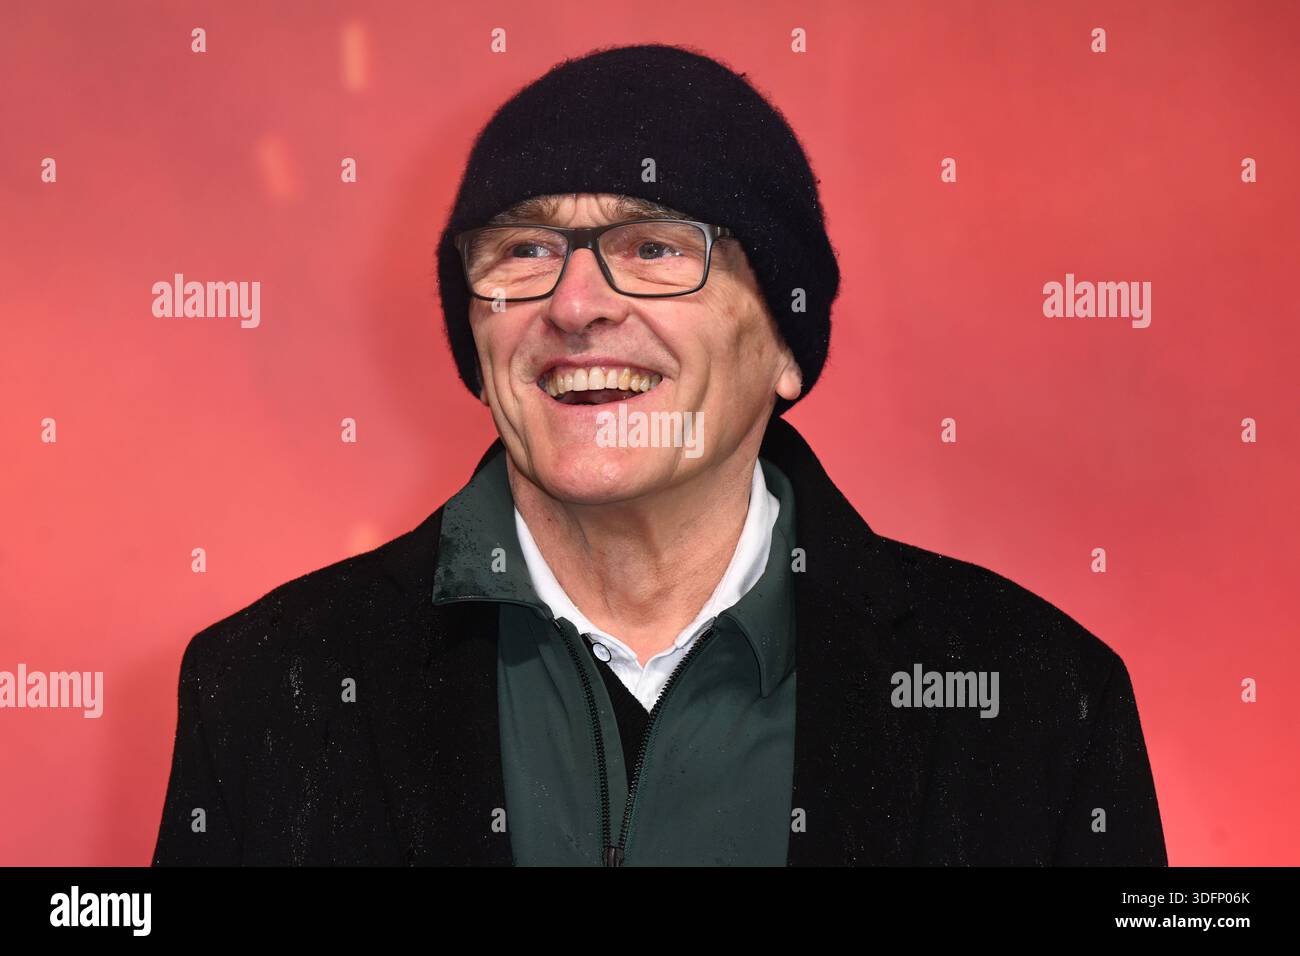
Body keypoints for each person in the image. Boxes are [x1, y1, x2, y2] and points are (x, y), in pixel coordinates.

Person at [153, 43, 1166, 866]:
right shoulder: (266, 688)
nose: (575, 303)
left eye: (655, 248)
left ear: (782, 345)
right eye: (521, 249)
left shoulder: (1035, 699)